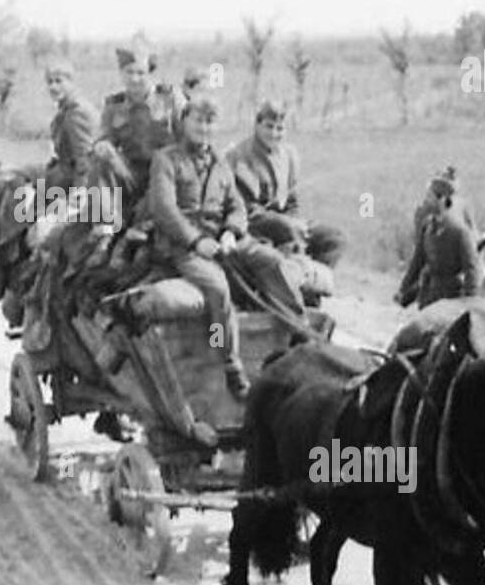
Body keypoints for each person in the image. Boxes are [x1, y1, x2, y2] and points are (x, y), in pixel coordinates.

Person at [148, 96, 254, 397]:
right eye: (198, 120)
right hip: (181, 249)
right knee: (218, 289)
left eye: (209, 122)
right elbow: (165, 210)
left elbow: (237, 206)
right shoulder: (166, 159)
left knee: (267, 268)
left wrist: (232, 231)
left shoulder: (220, 163)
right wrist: (197, 241)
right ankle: (229, 360)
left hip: (220, 246)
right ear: (184, 122)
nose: (204, 128)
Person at [225, 99, 345, 268]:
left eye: (279, 128)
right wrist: (288, 224)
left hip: (286, 222)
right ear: (257, 125)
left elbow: (291, 201)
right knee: (288, 229)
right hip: (254, 223)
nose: (274, 134)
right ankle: (293, 282)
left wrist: (296, 221)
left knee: (334, 237)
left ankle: (313, 282)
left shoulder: (289, 155)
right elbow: (246, 208)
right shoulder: (240, 156)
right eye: (269, 126)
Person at [94, 48, 185, 216]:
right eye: (129, 72)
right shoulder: (114, 105)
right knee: (101, 161)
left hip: (165, 173)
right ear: (121, 74)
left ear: (150, 73)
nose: (135, 79)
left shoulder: (169, 99)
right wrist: (103, 146)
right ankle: (106, 223)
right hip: (131, 174)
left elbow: (186, 138)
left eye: (140, 73)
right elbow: (103, 139)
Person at [395, 168, 482, 308]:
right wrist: (403, 288)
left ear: (441, 199)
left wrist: (468, 305)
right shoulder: (427, 226)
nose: (426, 200)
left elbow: (472, 272)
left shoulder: (460, 231)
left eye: (430, 196)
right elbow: (417, 262)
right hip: (429, 295)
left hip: (452, 298)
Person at [45, 58, 98, 190]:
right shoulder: (66, 108)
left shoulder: (76, 112)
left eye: (58, 81)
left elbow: (85, 158)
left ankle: (22, 210)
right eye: (50, 82)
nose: (53, 87)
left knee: (17, 181)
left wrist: (79, 192)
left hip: (70, 178)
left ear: (71, 82)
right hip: (64, 170)